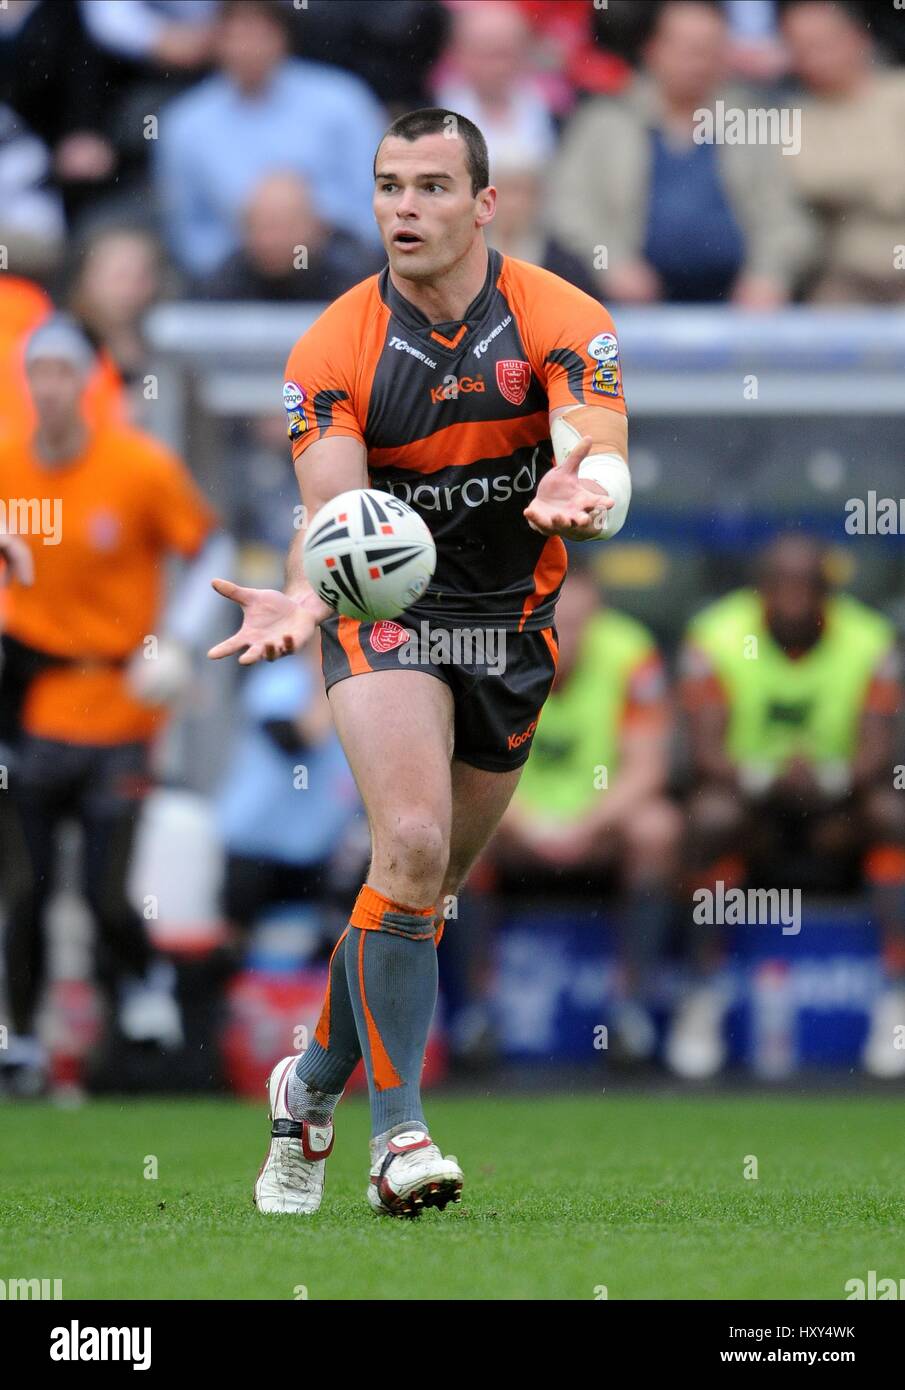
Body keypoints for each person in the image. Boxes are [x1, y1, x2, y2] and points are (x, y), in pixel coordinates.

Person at [209, 107, 632, 1217]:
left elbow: (594, 439)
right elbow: (339, 518)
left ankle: (306, 1086)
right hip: (387, 613)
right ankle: (399, 1140)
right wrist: (309, 594)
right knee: (405, 839)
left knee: (420, 892)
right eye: (390, 186)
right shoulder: (332, 349)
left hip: (511, 626)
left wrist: (582, 487)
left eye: (433, 187)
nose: (406, 207)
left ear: (484, 204)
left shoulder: (560, 315)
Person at [0, 316, 229, 1096]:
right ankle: (25, 1040)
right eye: (41, 373)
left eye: (67, 372)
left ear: (90, 383)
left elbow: (212, 549)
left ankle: (142, 983)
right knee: (25, 888)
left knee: (105, 888)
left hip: (123, 703)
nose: (52, 388)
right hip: (32, 701)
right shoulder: (8, 469)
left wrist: (178, 639)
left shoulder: (137, 467)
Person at [670, 534, 905, 1079]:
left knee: (892, 816)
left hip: (837, 807)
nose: (794, 599)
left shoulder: (871, 640)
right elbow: (705, 754)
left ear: (829, 591)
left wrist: (826, 778)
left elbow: (879, 750)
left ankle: (895, 998)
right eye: (782, 586)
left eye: (808, 587)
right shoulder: (716, 636)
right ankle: (701, 997)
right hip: (752, 804)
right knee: (708, 818)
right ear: (760, 590)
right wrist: (770, 776)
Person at [490, 560, 680, 1061]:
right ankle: (474, 1011)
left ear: (595, 608)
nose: (564, 633)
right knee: (449, 833)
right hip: (512, 825)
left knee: (658, 828)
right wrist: (531, 825)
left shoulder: (630, 652)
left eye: (575, 622)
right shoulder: (492, 647)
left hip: (599, 830)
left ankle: (633, 1012)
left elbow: (647, 768)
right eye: (553, 619)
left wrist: (583, 825)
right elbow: (465, 769)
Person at [550, 0, 814, 306]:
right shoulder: (606, 121)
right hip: (625, 305)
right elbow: (567, 208)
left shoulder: (752, 123)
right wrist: (611, 263)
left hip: (740, 306)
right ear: (653, 49)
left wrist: (770, 274)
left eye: (710, 50)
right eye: (688, 49)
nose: (698, 62)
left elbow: (788, 216)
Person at [154, 0, 385, 277]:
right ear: (216, 41)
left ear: (283, 37)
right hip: (234, 276)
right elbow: (187, 228)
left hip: (335, 262)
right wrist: (256, 244)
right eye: (236, 36)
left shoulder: (343, 100)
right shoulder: (185, 123)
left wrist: (306, 227)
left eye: (259, 35)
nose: (247, 48)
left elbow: (377, 199)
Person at [780, 0, 905, 304]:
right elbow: (809, 179)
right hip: (845, 278)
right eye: (801, 47)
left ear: (859, 38)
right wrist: (887, 179)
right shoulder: (793, 117)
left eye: (823, 43)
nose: (815, 58)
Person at [193, 172, 384, 303]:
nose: (270, 241)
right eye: (260, 227)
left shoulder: (354, 278)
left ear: (315, 226)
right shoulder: (227, 280)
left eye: (283, 226)